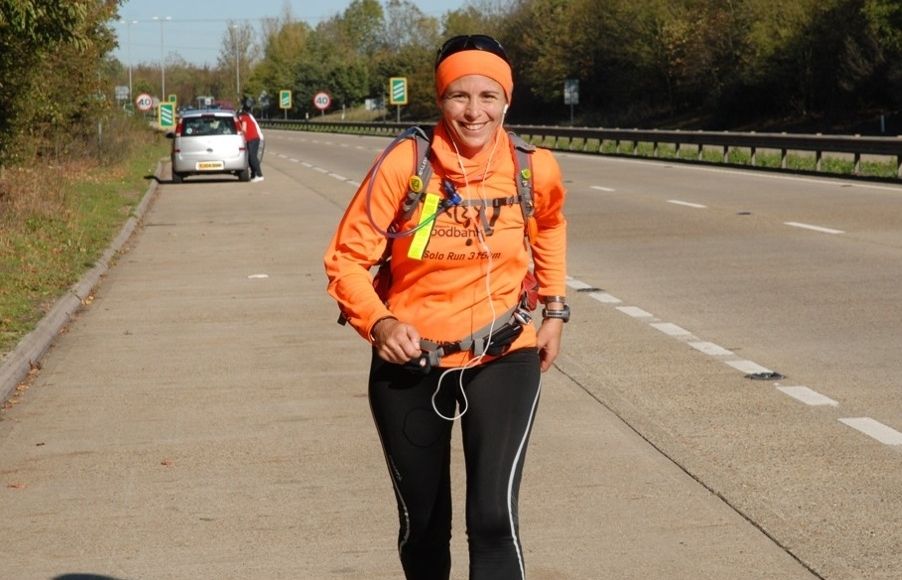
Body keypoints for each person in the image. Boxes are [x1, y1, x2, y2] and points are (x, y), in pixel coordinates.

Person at [323, 34, 568, 580]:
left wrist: (555, 310)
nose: (474, 111)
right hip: (413, 362)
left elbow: (550, 226)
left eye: (488, 96)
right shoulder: (405, 165)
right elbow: (345, 260)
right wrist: (380, 323)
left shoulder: (533, 169)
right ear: (440, 99)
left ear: (507, 100)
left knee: (493, 520)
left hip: (503, 354)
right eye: (459, 95)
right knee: (424, 528)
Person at [237, 99, 264, 182]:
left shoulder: (244, 117)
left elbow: (244, 129)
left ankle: (259, 175)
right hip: (252, 138)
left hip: (253, 138)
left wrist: (239, 134)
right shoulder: (247, 115)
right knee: (250, 158)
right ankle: (253, 175)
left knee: (252, 157)